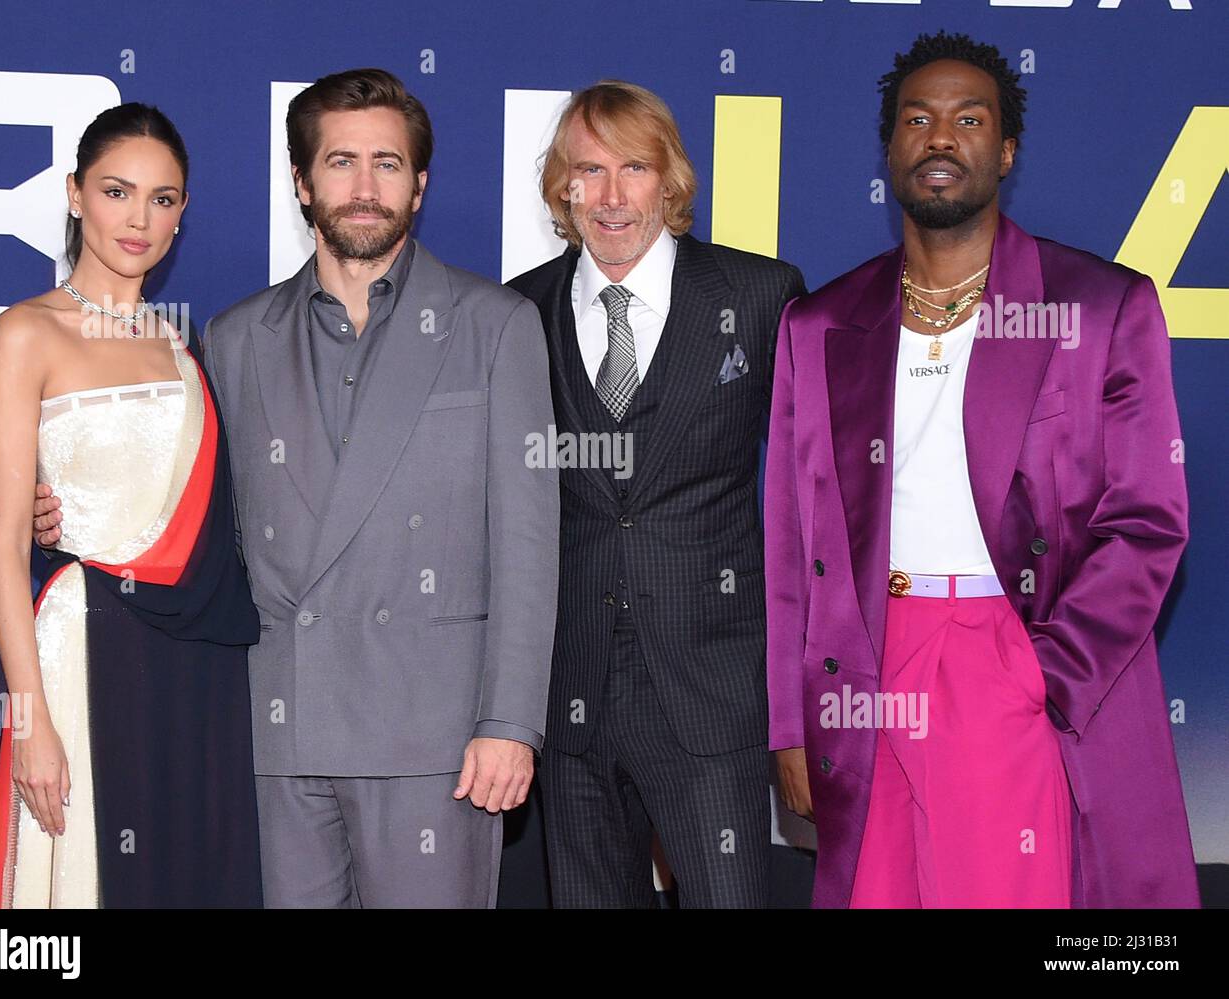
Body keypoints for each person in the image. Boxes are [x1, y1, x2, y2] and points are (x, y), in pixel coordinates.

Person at [37, 69, 559, 907]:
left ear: (419, 185)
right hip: (275, 726)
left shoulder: (494, 324)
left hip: (434, 737)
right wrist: (68, 507)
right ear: (301, 182)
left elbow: (530, 546)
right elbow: (193, 507)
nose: (363, 187)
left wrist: (509, 724)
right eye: (340, 161)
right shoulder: (235, 338)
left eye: (387, 164)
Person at [765, 31, 1199, 907]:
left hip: (1013, 656)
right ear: (890, 147)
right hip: (867, 665)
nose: (940, 137)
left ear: (1005, 150)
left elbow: (1148, 518)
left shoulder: (1100, 305)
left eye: (969, 118)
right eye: (917, 118)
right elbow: (789, 540)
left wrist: (1044, 672)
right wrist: (790, 721)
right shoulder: (819, 324)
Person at [508, 81, 805, 907]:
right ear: (560, 187)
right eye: (587, 170)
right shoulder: (514, 312)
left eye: (633, 167)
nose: (610, 196)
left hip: (712, 689)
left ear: (670, 180)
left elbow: (807, 502)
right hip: (568, 692)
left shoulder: (760, 297)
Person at [0, 103, 262, 907]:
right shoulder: (26, 333)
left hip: (200, 662)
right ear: (74, 194)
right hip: (82, 653)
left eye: (164, 198)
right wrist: (30, 719)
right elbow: (4, 546)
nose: (140, 218)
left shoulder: (185, 345)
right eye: (116, 191)